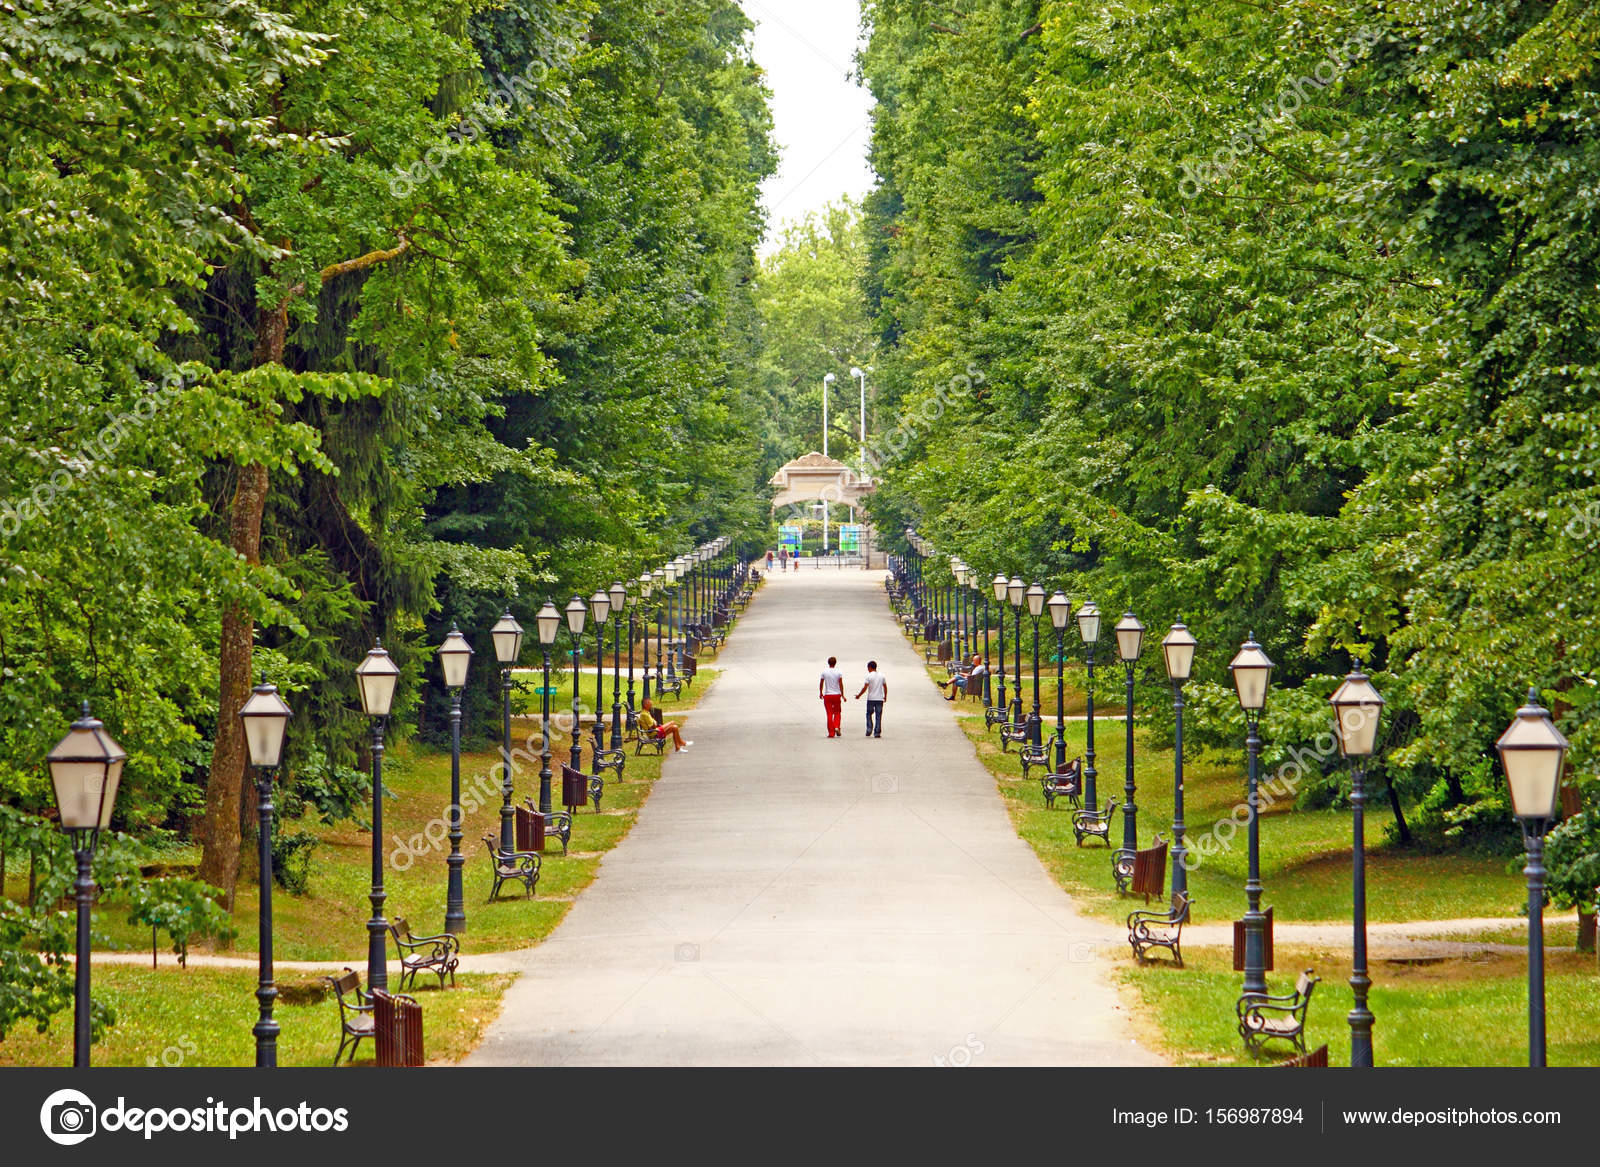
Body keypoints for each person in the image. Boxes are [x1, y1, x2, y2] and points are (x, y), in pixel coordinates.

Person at [855, 660, 887, 737]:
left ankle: (869, 729)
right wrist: (885, 696)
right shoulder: (882, 675)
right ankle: (877, 732)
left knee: (869, 714)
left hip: (871, 699)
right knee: (878, 716)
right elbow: (885, 687)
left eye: (868, 668)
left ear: (869, 667)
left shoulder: (869, 676)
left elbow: (865, 687)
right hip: (879, 699)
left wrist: (859, 695)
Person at [819, 655, 846, 738]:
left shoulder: (824, 672)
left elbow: (821, 683)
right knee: (837, 712)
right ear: (835, 663)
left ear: (828, 663)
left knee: (829, 714)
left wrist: (820, 692)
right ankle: (837, 726)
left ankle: (831, 733)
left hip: (828, 695)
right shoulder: (839, 672)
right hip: (837, 695)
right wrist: (843, 695)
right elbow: (841, 684)